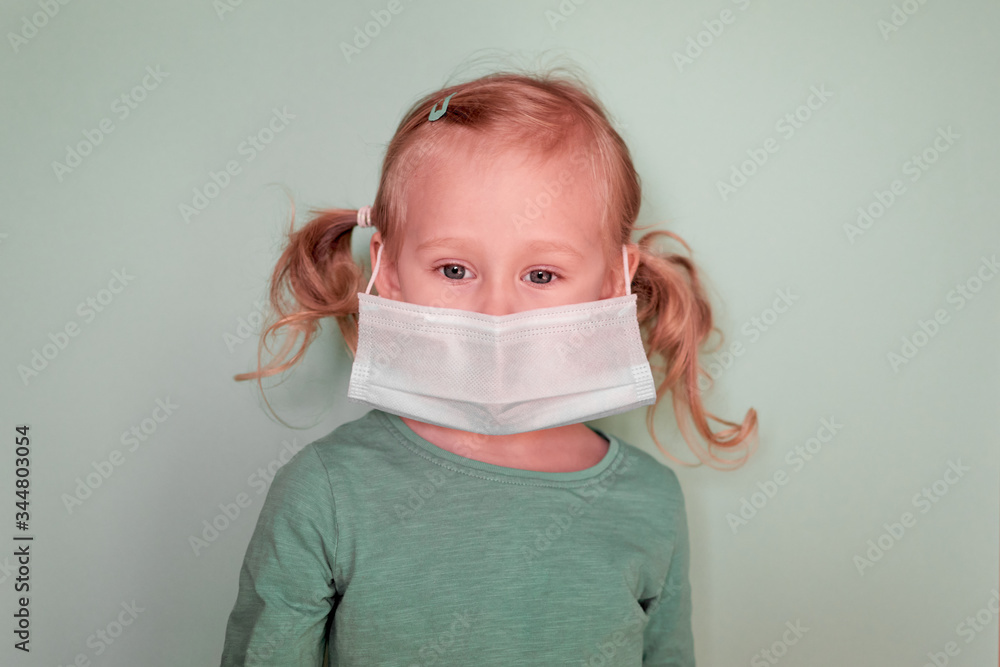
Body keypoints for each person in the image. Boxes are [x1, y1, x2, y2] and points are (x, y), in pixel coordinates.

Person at [220, 64, 757, 666]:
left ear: (615, 282)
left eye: (541, 274)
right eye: (454, 269)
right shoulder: (325, 493)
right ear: (387, 271)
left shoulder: (651, 501)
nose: (496, 310)